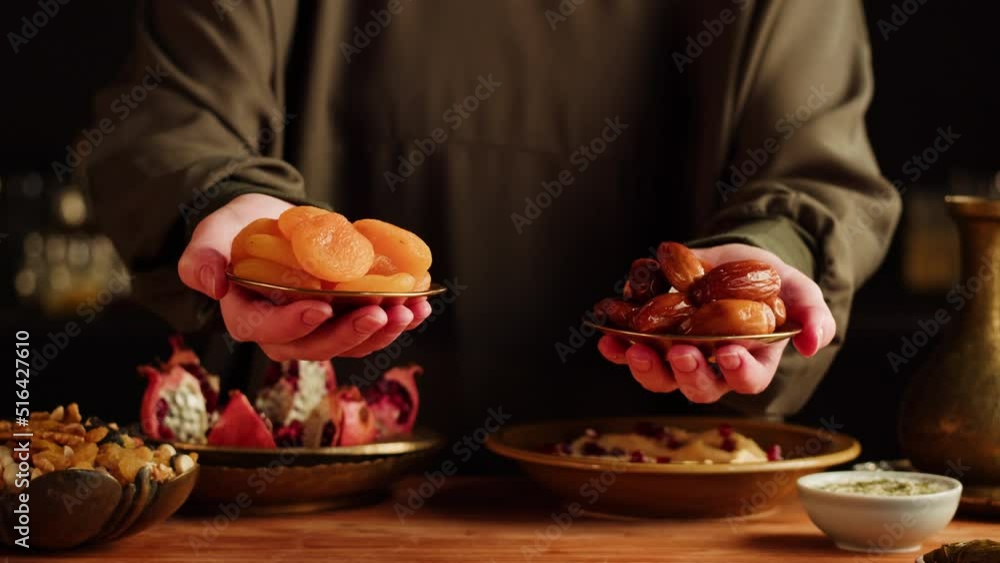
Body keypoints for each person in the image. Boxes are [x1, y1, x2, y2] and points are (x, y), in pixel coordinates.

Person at [78, 0, 899, 430]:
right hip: (327, 486)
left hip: (662, 490)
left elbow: (813, 163)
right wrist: (231, 204)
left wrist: (764, 254)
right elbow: (170, 113)